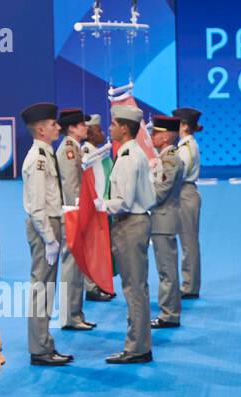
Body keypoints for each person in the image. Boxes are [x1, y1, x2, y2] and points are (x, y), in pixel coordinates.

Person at [98, 104, 157, 364]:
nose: (109, 128)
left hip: (130, 223)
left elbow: (123, 199)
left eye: (113, 124)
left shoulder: (128, 157)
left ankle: (136, 347)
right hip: (135, 222)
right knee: (137, 287)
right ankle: (140, 343)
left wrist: (100, 205)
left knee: (134, 288)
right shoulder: (131, 153)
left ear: (123, 127)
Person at [20, 102, 73, 367]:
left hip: (50, 223)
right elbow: (36, 205)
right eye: (53, 124)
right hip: (45, 226)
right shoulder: (38, 160)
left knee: (47, 287)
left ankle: (44, 343)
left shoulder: (46, 154)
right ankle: (39, 348)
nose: (58, 127)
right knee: (41, 287)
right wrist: (50, 238)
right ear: (41, 130)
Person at [54, 108, 96, 331]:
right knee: (71, 265)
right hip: (72, 213)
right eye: (82, 124)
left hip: (75, 212)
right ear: (71, 128)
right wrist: (78, 212)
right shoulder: (69, 149)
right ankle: (70, 316)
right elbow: (71, 184)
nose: (86, 127)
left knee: (77, 265)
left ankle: (76, 313)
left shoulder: (75, 147)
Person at [148, 116, 185, 330]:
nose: (152, 136)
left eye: (155, 133)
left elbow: (161, 192)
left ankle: (169, 314)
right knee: (165, 269)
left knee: (166, 270)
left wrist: (139, 197)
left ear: (166, 136)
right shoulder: (164, 157)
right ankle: (169, 311)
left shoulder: (170, 159)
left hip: (163, 219)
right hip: (162, 219)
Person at [81, 115, 115, 304]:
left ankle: (100, 284)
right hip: (93, 205)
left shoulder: (98, 151)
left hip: (101, 205)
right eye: (99, 130)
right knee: (91, 248)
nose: (103, 134)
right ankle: (91, 287)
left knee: (100, 248)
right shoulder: (88, 151)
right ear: (90, 134)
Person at [172, 107, 203, 299]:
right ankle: (190, 283)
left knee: (188, 242)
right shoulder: (186, 145)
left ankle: (190, 286)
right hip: (186, 194)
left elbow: (178, 176)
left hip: (185, 194)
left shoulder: (185, 149)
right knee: (188, 241)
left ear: (183, 126)